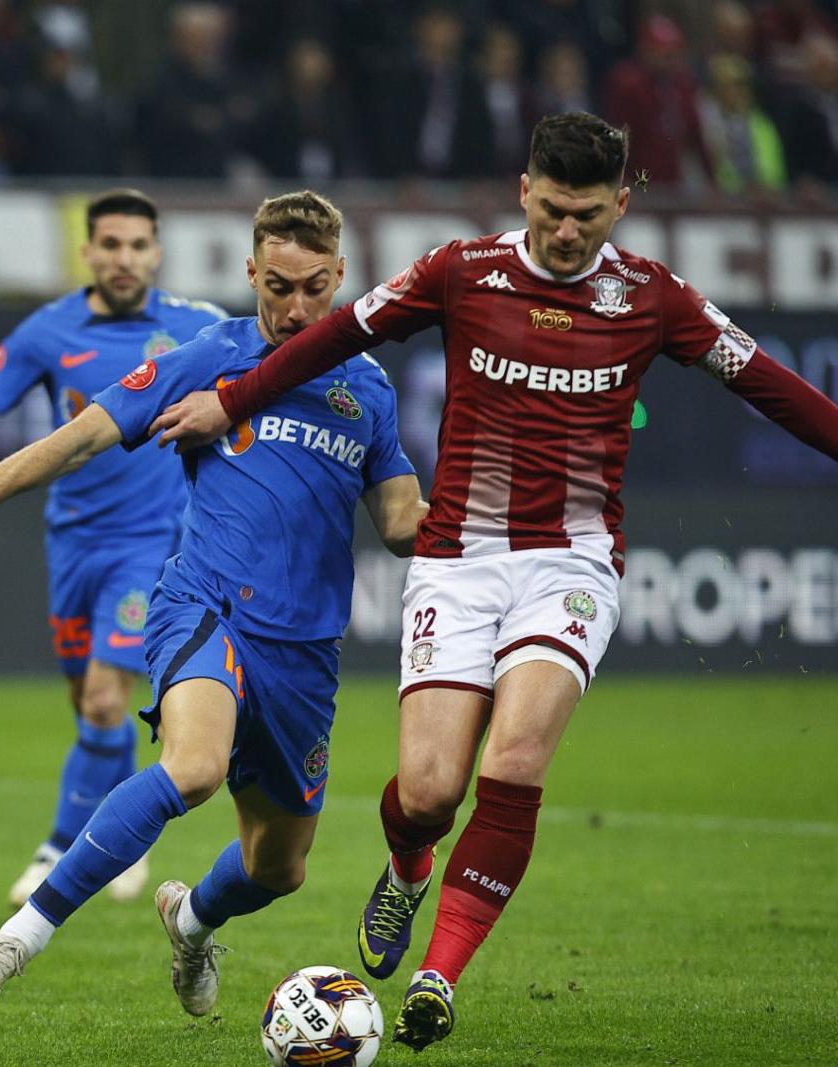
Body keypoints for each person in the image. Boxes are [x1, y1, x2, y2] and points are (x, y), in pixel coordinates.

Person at [150, 111, 838, 1050]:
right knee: (430, 792)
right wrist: (230, 399)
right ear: (525, 192)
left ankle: (437, 976)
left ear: (620, 205)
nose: (567, 231)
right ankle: (408, 866)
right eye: (552, 209)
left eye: (587, 215)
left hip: (572, 563)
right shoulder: (461, 271)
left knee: (512, 764)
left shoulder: (655, 297)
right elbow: (334, 337)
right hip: (459, 559)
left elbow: (769, 383)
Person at [0, 191, 425, 1015]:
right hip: (205, 604)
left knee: (279, 867)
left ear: (340, 276)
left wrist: (489, 517)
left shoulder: (367, 387)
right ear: (251, 273)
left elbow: (401, 523)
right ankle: (15, 938)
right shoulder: (212, 354)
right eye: (277, 287)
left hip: (303, 651)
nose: (295, 309)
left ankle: (191, 922)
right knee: (192, 767)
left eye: (312, 288)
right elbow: (76, 438)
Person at [0, 187, 226, 908]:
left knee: (105, 699)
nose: (125, 258)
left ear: (157, 253)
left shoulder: (198, 325)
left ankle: (60, 844)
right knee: (87, 702)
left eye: (138, 245)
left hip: (154, 544)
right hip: (72, 542)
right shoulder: (49, 329)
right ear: (87, 252)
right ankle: (128, 832)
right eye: (111, 245)